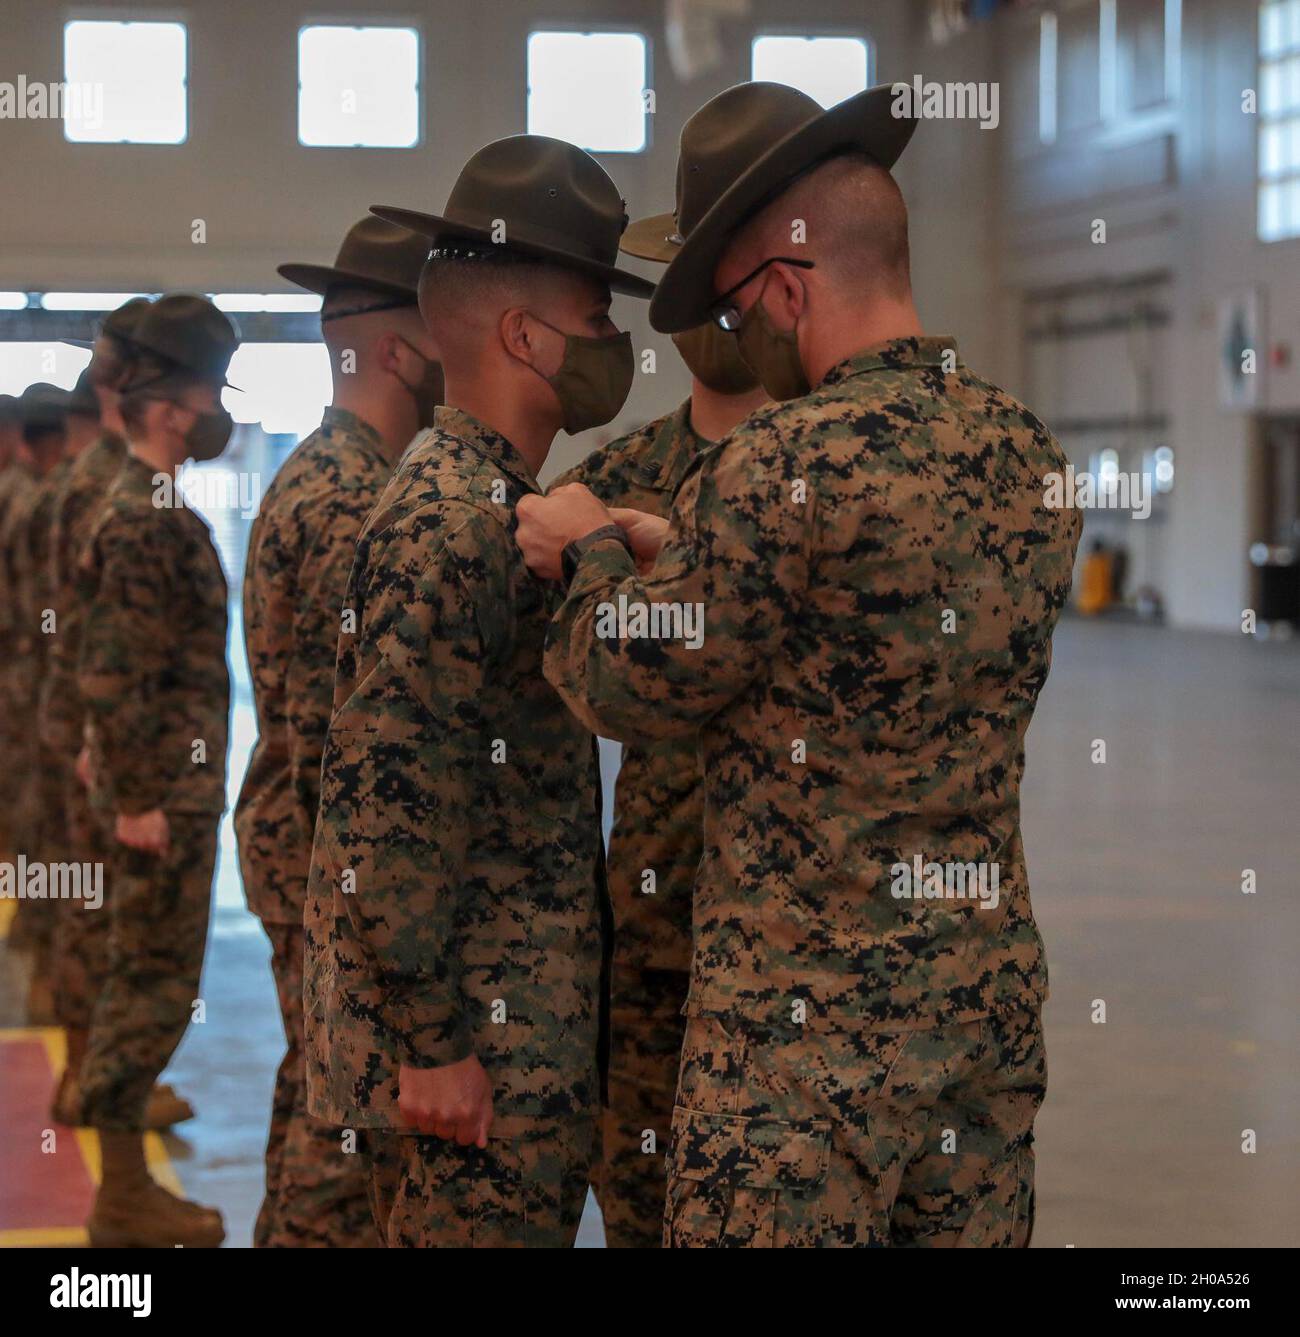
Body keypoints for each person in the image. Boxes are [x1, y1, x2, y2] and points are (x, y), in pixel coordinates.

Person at [516, 81, 1082, 1247]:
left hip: (799, 1043)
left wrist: (586, 555)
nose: (737, 340)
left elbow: (620, 680)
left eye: (733, 309)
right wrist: (692, 555)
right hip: (978, 1016)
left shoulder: (778, 459)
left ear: (782, 283)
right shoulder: (1024, 448)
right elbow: (875, 616)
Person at [302, 134, 653, 1247]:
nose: (614, 345)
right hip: (480, 1046)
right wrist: (435, 1037)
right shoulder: (454, 518)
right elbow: (382, 798)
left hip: (515, 1023)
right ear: (523, 333)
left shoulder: (505, 501)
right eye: (598, 319)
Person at [546, 100, 772, 1246]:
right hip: (653, 927)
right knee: (642, 1200)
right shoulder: (619, 472)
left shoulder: (838, 475)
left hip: (800, 943)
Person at [236, 216, 439, 1247]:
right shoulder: (355, 502)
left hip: (302, 848)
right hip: (327, 864)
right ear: (404, 350)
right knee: (340, 1132)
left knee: (324, 1108)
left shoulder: (319, 473)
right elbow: (348, 750)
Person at [75, 294, 239, 1248]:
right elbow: (112, 669)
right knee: (150, 984)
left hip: (172, 793)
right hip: (160, 806)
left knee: (150, 979)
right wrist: (138, 797)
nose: (218, 411)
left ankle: (121, 1184)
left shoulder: (155, 502)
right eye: (212, 390)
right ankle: (121, 1193)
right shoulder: (142, 515)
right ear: (174, 404)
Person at [2, 383, 69, 1019]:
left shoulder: (30, 499)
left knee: (34, 821)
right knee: (47, 829)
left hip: (27, 682)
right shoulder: (41, 503)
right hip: (36, 685)